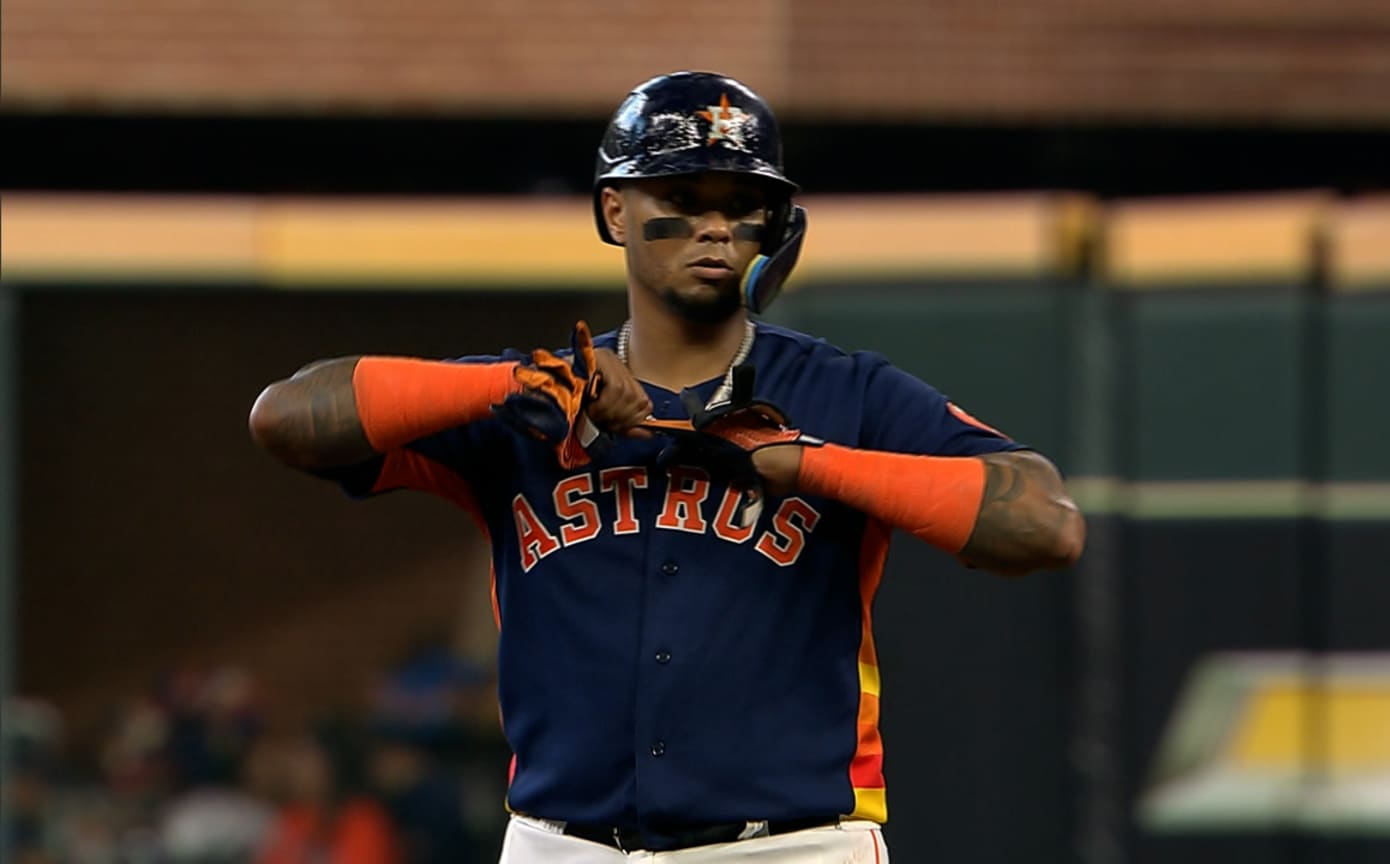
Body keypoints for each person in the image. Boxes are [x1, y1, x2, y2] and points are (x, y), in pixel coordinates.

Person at [249, 70, 1085, 863]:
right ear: (614, 210)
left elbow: (1045, 523)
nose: (716, 227)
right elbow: (284, 419)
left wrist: (808, 465)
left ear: (778, 227)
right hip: (560, 841)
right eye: (680, 200)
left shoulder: (846, 393)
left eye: (743, 204)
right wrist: (514, 383)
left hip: (790, 843)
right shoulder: (531, 402)